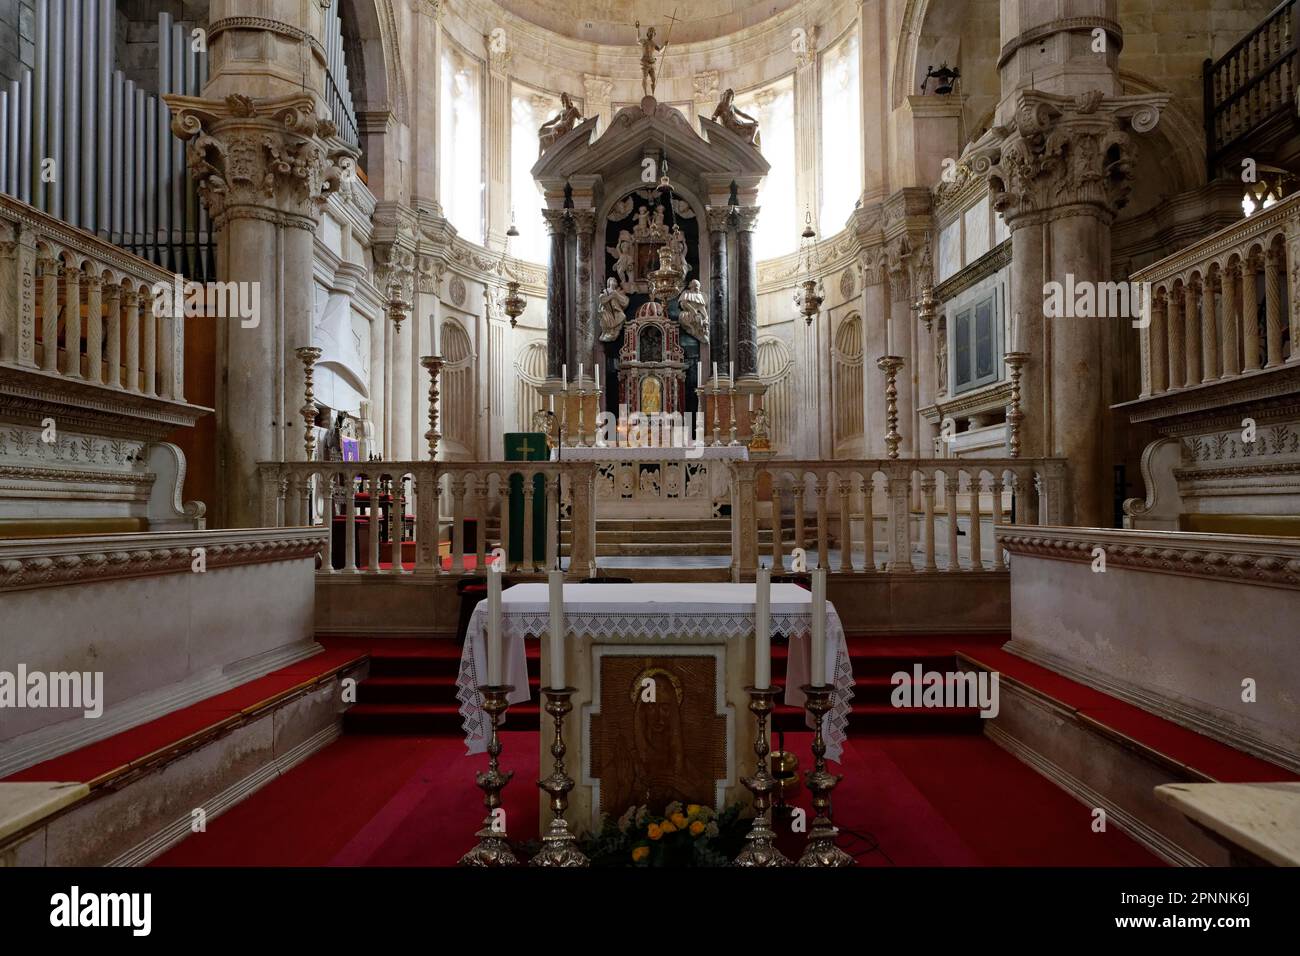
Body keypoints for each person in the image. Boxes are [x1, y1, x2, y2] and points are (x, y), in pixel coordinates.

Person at [636, 22, 667, 98]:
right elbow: (638, 40)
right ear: (648, 34)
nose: (651, 34)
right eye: (650, 32)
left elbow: (659, 51)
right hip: (645, 63)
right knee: (645, 78)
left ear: (654, 34)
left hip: (652, 63)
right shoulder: (644, 41)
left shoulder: (653, 43)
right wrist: (637, 28)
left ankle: (653, 94)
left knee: (654, 79)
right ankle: (645, 94)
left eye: (653, 33)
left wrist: (665, 45)